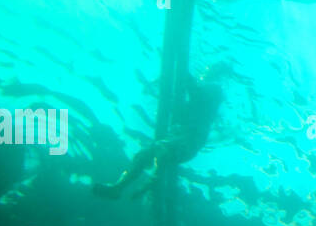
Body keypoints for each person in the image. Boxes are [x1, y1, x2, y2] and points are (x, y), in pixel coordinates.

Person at [93, 63, 227, 199]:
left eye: (211, 70)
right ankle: (118, 187)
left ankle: (153, 182)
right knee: (142, 156)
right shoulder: (203, 91)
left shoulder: (215, 89)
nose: (206, 73)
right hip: (177, 137)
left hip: (191, 141)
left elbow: (198, 96)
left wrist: (184, 75)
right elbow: (191, 98)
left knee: (162, 151)